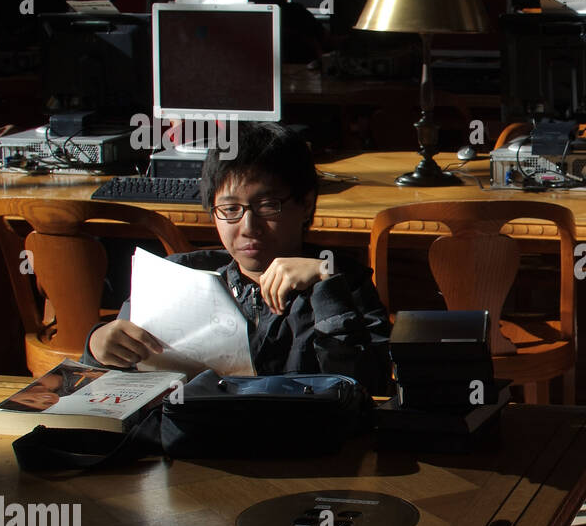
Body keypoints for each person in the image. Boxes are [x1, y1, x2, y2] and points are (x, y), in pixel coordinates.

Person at [83, 123, 392, 394]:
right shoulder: (178, 278)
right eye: (230, 210)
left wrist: (327, 290)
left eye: (268, 206)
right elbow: (108, 381)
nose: (248, 228)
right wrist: (99, 345)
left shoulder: (343, 284)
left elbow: (371, 387)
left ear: (306, 204)